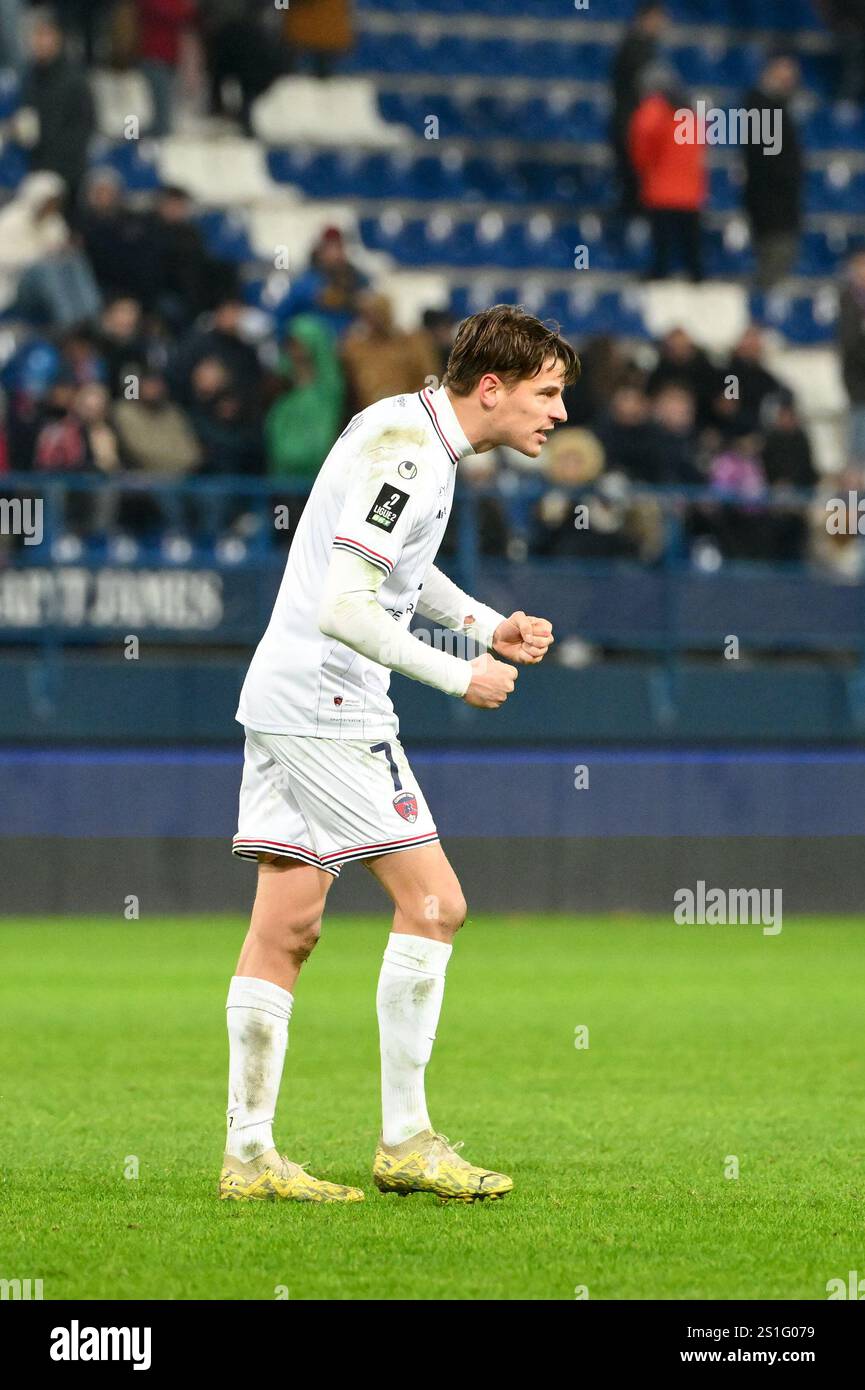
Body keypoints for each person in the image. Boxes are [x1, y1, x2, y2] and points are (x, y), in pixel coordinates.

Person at [222, 304, 579, 1203]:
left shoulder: (401, 426)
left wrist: (484, 624)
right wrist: (461, 676)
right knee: (436, 904)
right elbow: (348, 605)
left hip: (282, 693)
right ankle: (406, 1141)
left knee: (288, 927)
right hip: (328, 706)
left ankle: (250, 1157)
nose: (558, 414)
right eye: (546, 393)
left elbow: (397, 575)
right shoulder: (416, 461)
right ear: (490, 388)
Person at [629, 64, 706, 281]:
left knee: (661, 246)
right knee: (691, 246)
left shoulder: (651, 111)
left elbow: (641, 151)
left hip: (660, 188)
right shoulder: (691, 115)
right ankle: (697, 277)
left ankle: (661, 274)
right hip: (690, 191)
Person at [17, 12, 95, 216]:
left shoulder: (75, 80)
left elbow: (84, 126)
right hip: (34, 171)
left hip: (67, 174)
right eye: (36, 37)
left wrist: (57, 169)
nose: (41, 43)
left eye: (46, 36)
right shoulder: (27, 79)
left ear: (58, 40)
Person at [742, 52, 803, 289]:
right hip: (771, 207)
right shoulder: (761, 107)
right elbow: (767, 159)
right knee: (773, 268)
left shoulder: (776, 107)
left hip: (780, 204)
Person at [610, 1, 668, 217]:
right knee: (635, 191)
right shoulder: (637, 49)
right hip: (633, 127)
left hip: (632, 125)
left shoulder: (637, 46)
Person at [838, 249, 865, 465]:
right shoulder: (848, 301)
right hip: (860, 386)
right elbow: (851, 344)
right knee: (858, 451)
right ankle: (856, 496)